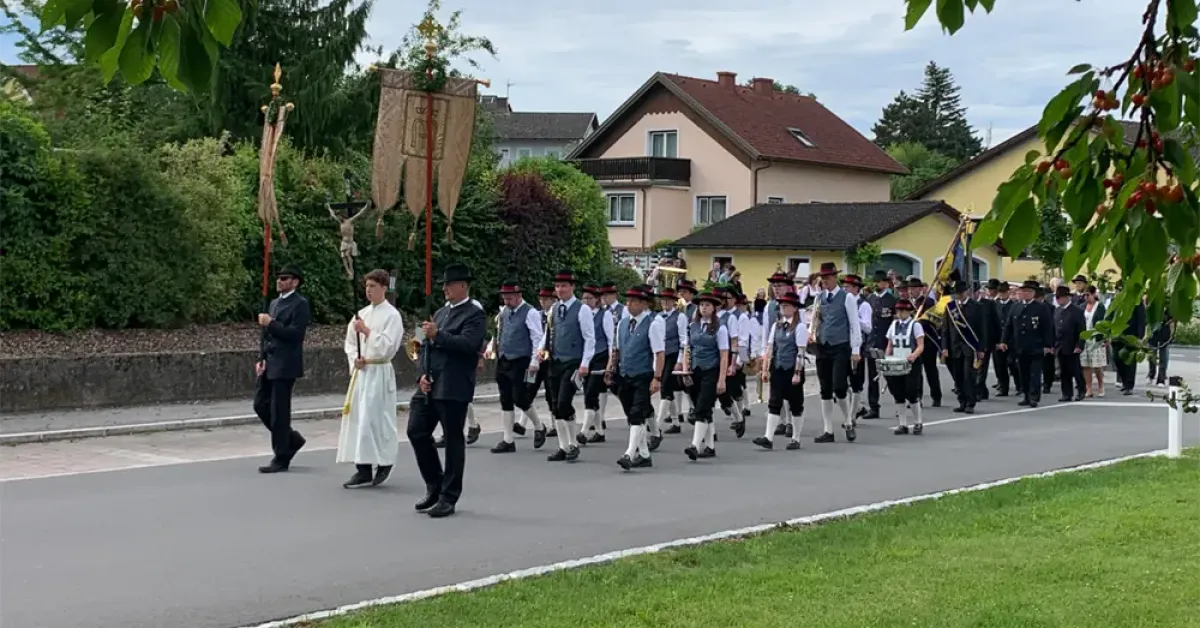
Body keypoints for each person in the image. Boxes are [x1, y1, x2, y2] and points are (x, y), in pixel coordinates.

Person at [406, 263, 487, 519]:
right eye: (443, 285)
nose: (445, 289)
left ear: (463, 286)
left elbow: (468, 344)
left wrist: (438, 335)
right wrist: (420, 374)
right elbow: (417, 345)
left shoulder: (475, 314)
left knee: (453, 440)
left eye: (449, 285)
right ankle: (435, 484)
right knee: (416, 431)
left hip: (453, 385)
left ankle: (449, 496)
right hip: (429, 383)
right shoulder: (438, 313)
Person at [337, 269, 404, 488]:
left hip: (379, 371)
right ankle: (362, 468)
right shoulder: (360, 313)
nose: (368, 291)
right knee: (359, 419)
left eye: (373, 286)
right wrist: (354, 359)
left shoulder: (392, 315)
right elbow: (349, 343)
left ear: (384, 288)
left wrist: (367, 332)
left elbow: (388, 346)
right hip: (362, 373)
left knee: (378, 419)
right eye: (366, 286)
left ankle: (385, 461)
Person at [254, 264, 310, 474]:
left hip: (286, 364)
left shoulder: (300, 304)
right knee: (260, 404)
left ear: (295, 282)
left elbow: (295, 334)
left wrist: (271, 323)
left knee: (279, 411)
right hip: (270, 361)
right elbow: (266, 336)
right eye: (278, 278)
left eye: (285, 278)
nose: (280, 281)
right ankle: (290, 439)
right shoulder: (275, 303)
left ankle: (281, 455)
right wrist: (261, 357)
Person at [540, 270, 597, 462]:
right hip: (554, 361)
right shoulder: (554, 309)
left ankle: (573, 443)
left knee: (564, 402)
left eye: (564, 286)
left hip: (573, 362)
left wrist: (585, 363)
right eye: (557, 286)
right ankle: (563, 446)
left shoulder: (582, 309)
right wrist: (540, 352)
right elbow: (547, 334)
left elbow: (590, 339)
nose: (560, 289)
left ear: (572, 287)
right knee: (555, 404)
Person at [608, 286, 666, 471]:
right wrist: (611, 367)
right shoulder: (623, 324)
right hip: (625, 374)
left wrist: (657, 378)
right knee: (631, 414)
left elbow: (659, 353)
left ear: (643, 304)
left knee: (637, 413)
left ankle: (629, 454)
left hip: (643, 375)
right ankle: (644, 455)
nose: (629, 304)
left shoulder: (653, 323)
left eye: (634, 301)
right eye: (628, 300)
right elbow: (617, 349)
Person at [490, 281, 548, 453]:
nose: (506, 301)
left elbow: (537, 338)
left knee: (519, 397)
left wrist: (534, 362)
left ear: (518, 296)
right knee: (505, 399)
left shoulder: (530, 312)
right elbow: (499, 334)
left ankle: (539, 426)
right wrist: (493, 350)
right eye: (504, 298)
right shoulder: (504, 312)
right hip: (504, 359)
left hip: (521, 359)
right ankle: (508, 440)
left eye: (509, 298)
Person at [810, 262, 863, 443]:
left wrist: (855, 349)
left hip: (841, 345)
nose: (824, 280)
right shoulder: (819, 298)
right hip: (823, 346)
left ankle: (848, 421)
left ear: (834, 277)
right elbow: (816, 320)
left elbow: (854, 324)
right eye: (822, 278)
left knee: (839, 386)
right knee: (825, 388)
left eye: (827, 277)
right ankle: (828, 430)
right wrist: (812, 335)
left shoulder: (847, 298)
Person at [754, 290, 808, 451]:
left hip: (792, 369)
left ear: (794, 308)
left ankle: (796, 438)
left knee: (795, 404)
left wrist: (797, 373)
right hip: (777, 368)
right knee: (774, 401)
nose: (783, 308)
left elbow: (801, 351)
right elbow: (770, 347)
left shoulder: (799, 327)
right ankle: (768, 437)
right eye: (781, 306)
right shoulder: (776, 326)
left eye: (786, 306)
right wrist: (765, 369)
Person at [682, 292, 728, 460]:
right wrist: (686, 369)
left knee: (701, 407)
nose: (704, 308)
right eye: (701, 305)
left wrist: (722, 378)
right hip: (696, 370)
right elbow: (687, 349)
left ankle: (694, 445)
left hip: (711, 370)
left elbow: (724, 354)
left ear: (714, 307)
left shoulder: (720, 327)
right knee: (703, 408)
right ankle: (710, 446)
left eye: (707, 305)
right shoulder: (692, 325)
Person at [1000, 280, 1055, 408]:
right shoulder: (1016, 307)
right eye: (1023, 291)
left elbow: (1047, 327)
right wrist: (1003, 341)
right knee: (1023, 372)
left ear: (1033, 293)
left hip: (1036, 345)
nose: (1025, 294)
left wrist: (1048, 345)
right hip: (1020, 345)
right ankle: (1026, 394)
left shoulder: (1041, 308)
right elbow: (1008, 326)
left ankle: (1034, 396)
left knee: (1035, 372)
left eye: (1028, 292)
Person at [941, 281, 985, 414]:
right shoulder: (950, 307)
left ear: (967, 292)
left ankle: (970, 403)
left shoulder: (977, 307)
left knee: (969, 376)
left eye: (961, 292)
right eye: (957, 293)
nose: (959, 295)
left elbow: (982, 329)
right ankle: (962, 401)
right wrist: (944, 347)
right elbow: (945, 329)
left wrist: (981, 348)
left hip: (970, 347)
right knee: (958, 376)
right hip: (954, 347)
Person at [883, 299, 926, 435]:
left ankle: (918, 422)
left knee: (912, 392)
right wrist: (886, 359)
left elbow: (920, 345)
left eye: (902, 310)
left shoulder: (915, 325)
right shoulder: (894, 324)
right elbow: (890, 344)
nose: (900, 313)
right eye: (898, 310)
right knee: (897, 393)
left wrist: (914, 355)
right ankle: (902, 424)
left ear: (908, 312)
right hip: (896, 362)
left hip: (911, 362)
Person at [579, 284, 614, 445]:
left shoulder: (604, 315)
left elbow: (610, 341)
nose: (586, 301)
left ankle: (584, 431)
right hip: (587, 358)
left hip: (600, 358)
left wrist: (610, 363)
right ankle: (599, 431)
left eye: (590, 298)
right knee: (590, 391)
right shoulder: (581, 314)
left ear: (597, 300)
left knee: (591, 393)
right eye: (584, 298)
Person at [655, 287, 689, 435]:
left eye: (668, 300)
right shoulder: (658, 317)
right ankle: (675, 421)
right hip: (661, 354)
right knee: (668, 387)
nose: (665, 303)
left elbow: (683, 339)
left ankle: (658, 423)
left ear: (674, 302)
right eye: (663, 300)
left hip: (673, 354)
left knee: (666, 386)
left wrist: (681, 359)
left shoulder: (680, 317)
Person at [863, 270, 895, 419]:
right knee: (872, 378)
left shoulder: (892, 300)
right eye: (875, 282)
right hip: (872, 343)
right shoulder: (869, 299)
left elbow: (895, 324)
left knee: (890, 376)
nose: (877, 284)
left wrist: (892, 343)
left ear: (886, 283)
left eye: (880, 282)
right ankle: (874, 407)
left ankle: (899, 402)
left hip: (885, 343)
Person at [909, 278, 943, 407]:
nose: (911, 291)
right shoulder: (907, 303)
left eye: (914, 288)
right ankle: (918, 397)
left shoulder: (927, 302)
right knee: (916, 372)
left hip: (927, 340)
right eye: (910, 289)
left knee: (930, 370)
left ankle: (936, 396)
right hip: (914, 342)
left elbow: (932, 321)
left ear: (920, 289)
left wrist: (918, 320)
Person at [1053, 285, 1086, 402]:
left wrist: (1079, 345)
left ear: (1067, 297)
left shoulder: (1076, 311)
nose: (1058, 300)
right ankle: (1066, 393)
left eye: (1060, 297)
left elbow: (1082, 330)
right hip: (1060, 346)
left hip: (1072, 345)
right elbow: (1054, 328)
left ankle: (1081, 390)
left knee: (1076, 370)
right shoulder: (1057, 311)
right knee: (1064, 372)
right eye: (1057, 297)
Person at [1080, 286, 1108, 397]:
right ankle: (1089, 387)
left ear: (1093, 294)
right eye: (1084, 295)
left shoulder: (1100, 307)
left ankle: (1101, 385)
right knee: (1085, 365)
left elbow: (1104, 323)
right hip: (1085, 338)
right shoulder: (1082, 307)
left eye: (1088, 295)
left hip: (1096, 338)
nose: (1086, 297)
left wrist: (1105, 337)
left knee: (1097, 365)